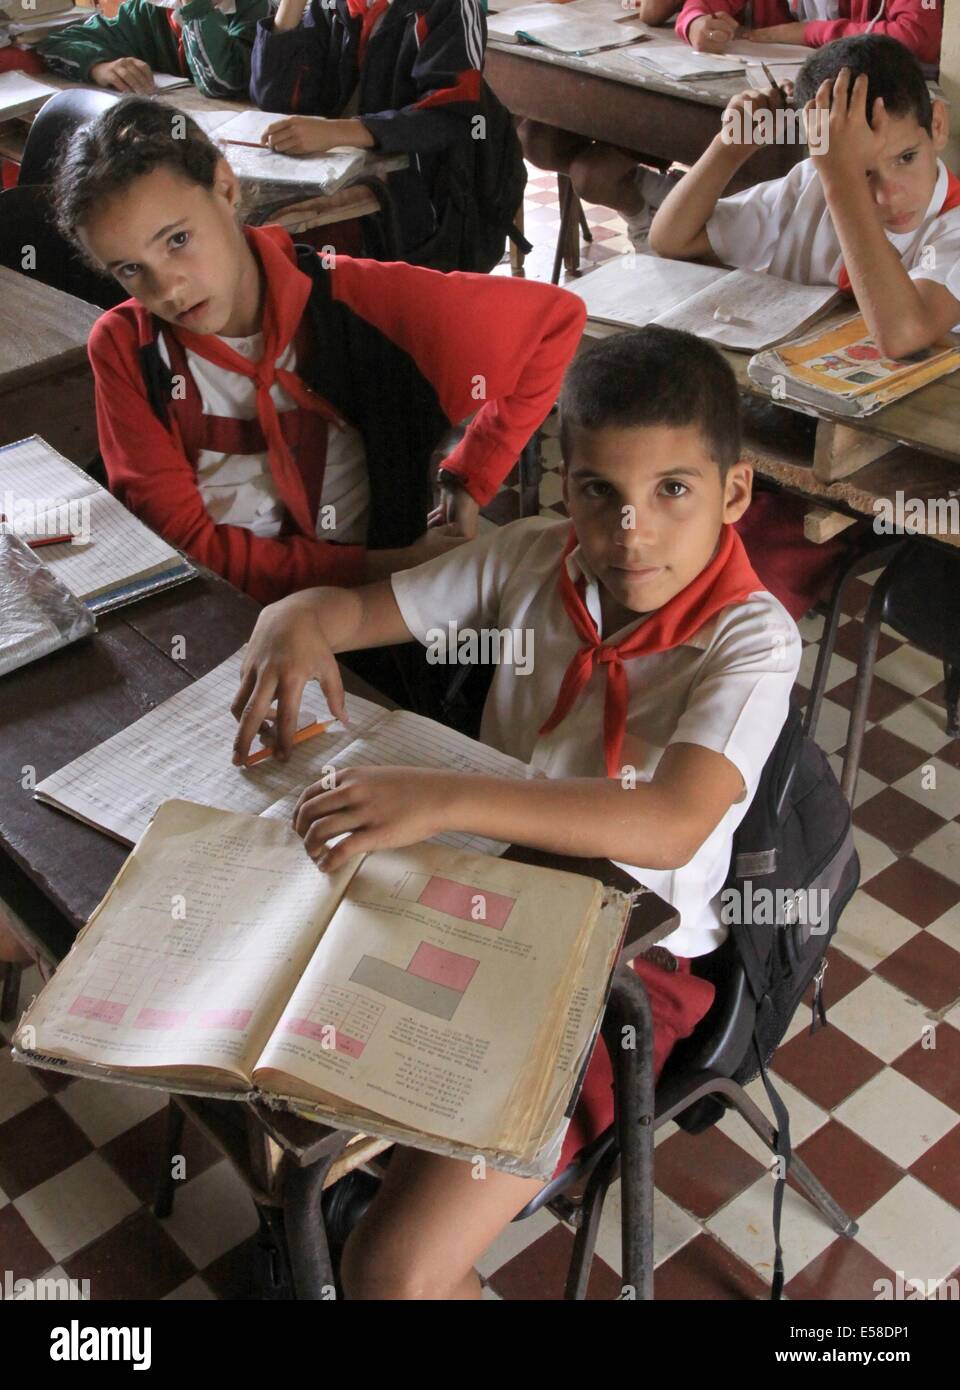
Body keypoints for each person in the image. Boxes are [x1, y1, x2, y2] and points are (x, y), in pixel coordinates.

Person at [229, 326, 802, 1299]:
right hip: (472, 902)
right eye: (599, 493)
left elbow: (670, 821)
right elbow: (361, 615)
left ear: (735, 493)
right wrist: (298, 618)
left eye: (673, 490)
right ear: (559, 487)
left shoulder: (751, 640)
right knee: (263, 1059)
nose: (631, 533)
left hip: (627, 974)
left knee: (393, 1269)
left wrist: (446, 794)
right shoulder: (534, 561)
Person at [51, 97, 585, 611]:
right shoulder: (127, 347)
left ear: (225, 185)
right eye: (129, 269)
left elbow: (554, 323)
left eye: (176, 240)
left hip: (368, 620)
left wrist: (470, 476)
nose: (167, 288)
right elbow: (184, 544)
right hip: (222, 615)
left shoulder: (364, 302)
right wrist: (384, 566)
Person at [650, 34, 960, 615]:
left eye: (906, 158)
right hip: (772, 444)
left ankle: (751, 693)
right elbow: (672, 239)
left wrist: (841, 175)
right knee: (656, 536)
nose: (889, 192)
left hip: (873, 480)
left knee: (734, 582)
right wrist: (729, 148)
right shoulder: (811, 188)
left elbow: (901, 332)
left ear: (937, 126)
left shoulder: (952, 229)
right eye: (863, 171)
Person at [249, 0, 526, 269]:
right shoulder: (336, 5)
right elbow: (274, 99)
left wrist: (338, 132)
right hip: (344, 175)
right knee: (263, 239)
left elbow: (451, 117)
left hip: (423, 202)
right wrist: (290, 7)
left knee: (302, 260)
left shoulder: (447, 6)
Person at [517, 0, 682, 250]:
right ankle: (662, 198)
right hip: (605, 52)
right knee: (535, 140)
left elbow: (654, 12)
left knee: (592, 177)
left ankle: (660, 219)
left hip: (664, 84)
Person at [38, 0, 269, 99]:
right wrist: (99, 67)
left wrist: (196, 8)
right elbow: (55, 44)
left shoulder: (259, 10)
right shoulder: (149, 10)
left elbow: (222, 83)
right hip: (172, 139)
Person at [678, 0, 941, 70]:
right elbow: (702, 6)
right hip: (784, 90)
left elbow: (917, 38)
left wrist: (807, 32)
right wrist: (695, 23)